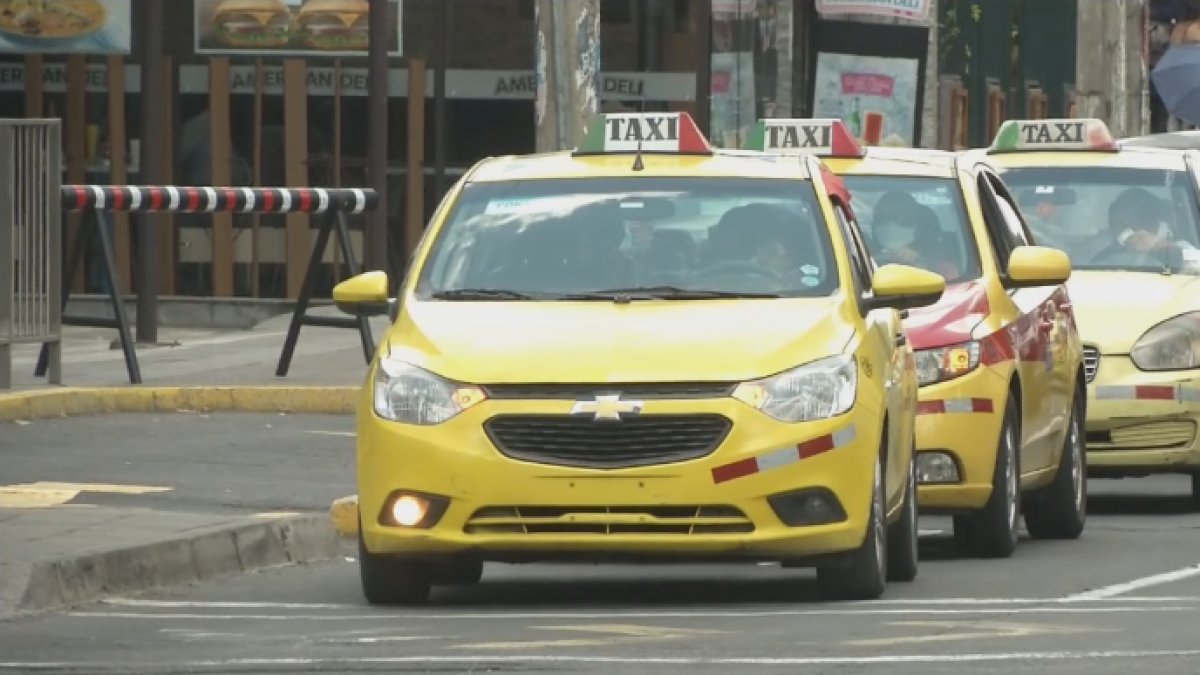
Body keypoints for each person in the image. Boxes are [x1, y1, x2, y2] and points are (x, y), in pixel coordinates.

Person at [1088, 187, 1196, 263]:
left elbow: (1195, 261)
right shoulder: (1110, 253)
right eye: (1112, 224)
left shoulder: (1177, 246)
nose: (1115, 231)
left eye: (1123, 225)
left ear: (1148, 223)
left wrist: (1161, 246)